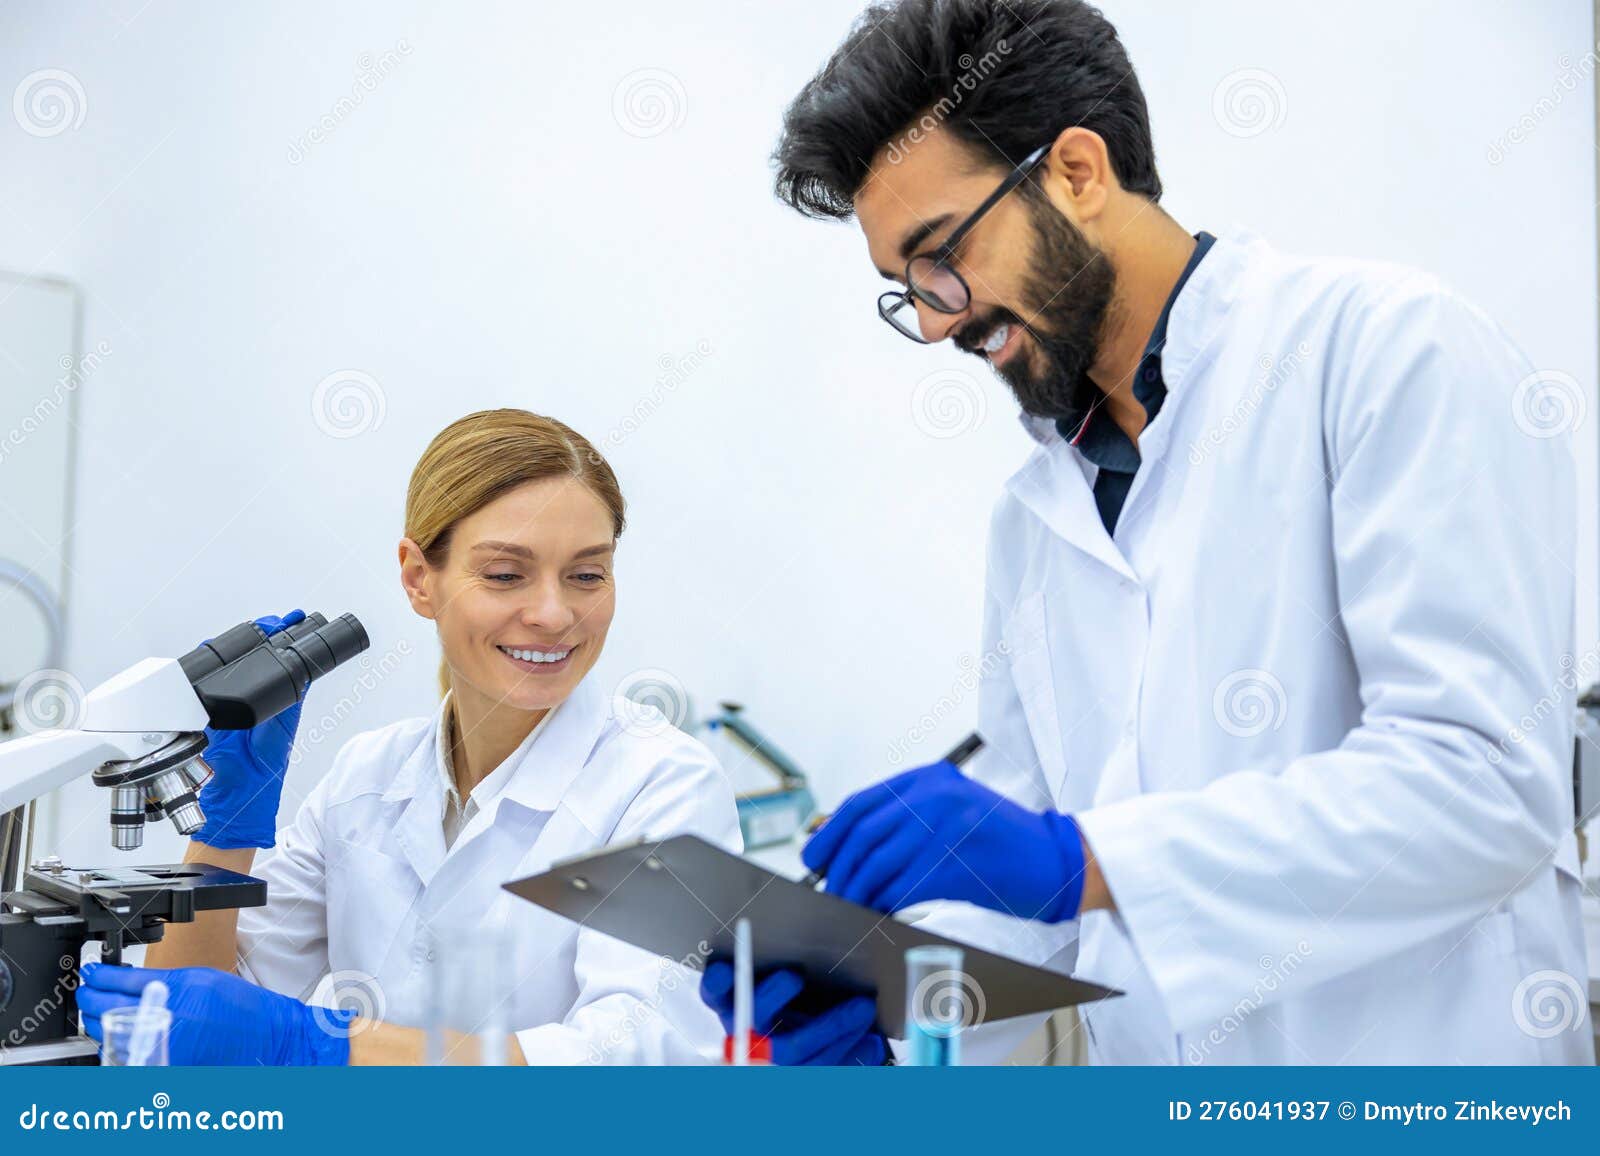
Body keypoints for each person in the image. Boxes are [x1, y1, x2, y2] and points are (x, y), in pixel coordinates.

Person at [700, 0, 1593, 1064]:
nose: (935, 320)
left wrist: (1078, 855)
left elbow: (1484, 785)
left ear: (1076, 171)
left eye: (939, 257)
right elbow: (1017, 894)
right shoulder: (1034, 523)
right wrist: (879, 1003)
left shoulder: (1388, 353)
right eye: (906, 290)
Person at [79, 409, 741, 1065]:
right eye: (507, 574)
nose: (554, 613)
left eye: (587, 574)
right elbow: (186, 1026)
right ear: (418, 578)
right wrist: (223, 841)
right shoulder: (367, 775)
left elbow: (640, 1060)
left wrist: (316, 1045)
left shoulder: (663, 783)